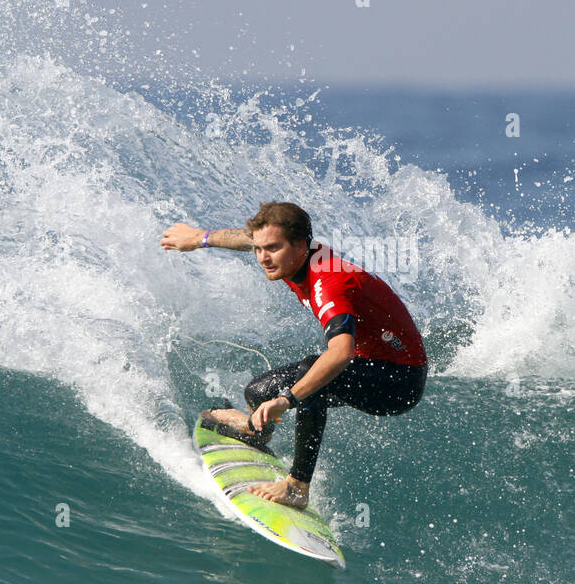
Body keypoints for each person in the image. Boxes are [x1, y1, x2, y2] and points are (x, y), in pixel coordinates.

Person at [160, 201, 427, 509]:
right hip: (367, 360)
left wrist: (287, 399)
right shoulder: (289, 254)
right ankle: (255, 431)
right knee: (258, 393)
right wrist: (198, 238)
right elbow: (247, 238)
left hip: (398, 380)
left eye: (271, 248)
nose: (263, 257)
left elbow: (340, 353)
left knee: (311, 374)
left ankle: (297, 487)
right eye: (260, 249)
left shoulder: (328, 281)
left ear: (301, 246)